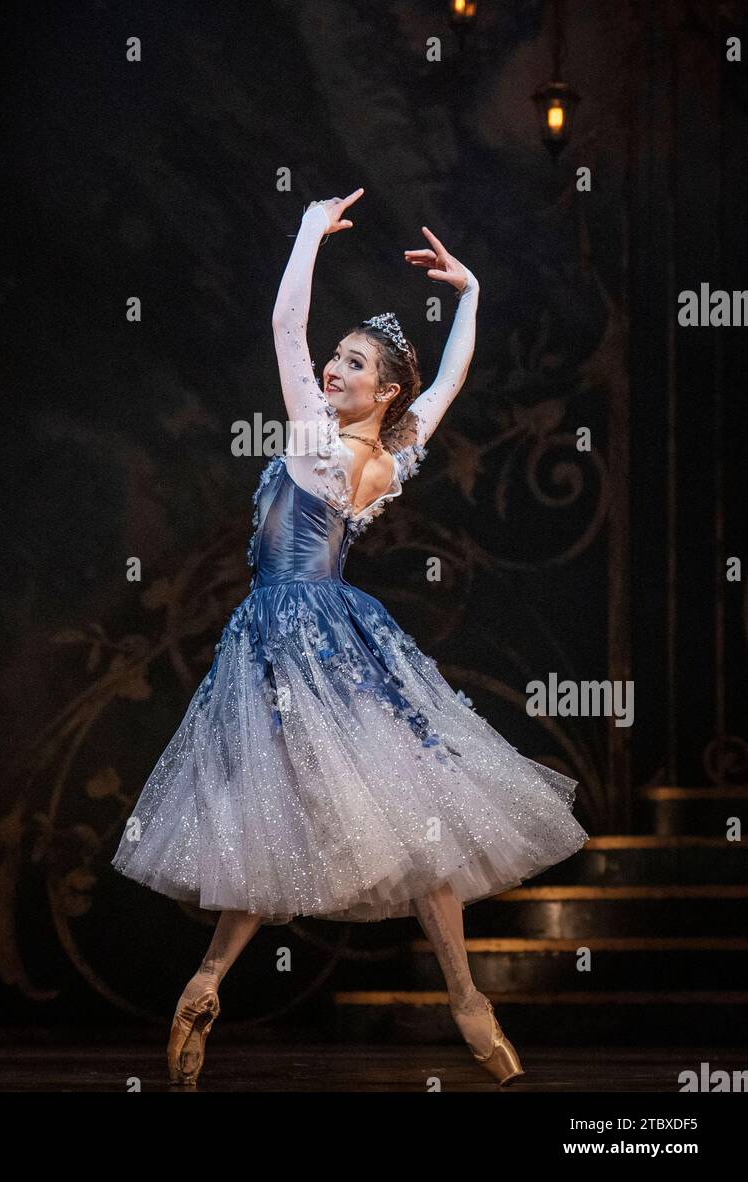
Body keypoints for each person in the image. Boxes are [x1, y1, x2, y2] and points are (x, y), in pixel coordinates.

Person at [111, 189, 590, 1087]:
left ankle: (211, 978)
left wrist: (303, 232)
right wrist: (473, 294)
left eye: (352, 363)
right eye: (336, 358)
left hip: (284, 637)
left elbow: (284, 326)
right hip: (341, 635)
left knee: (293, 811)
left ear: (383, 388)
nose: (331, 369)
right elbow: (448, 385)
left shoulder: (321, 446)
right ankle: (468, 1002)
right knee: (409, 807)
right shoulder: (391, 461)